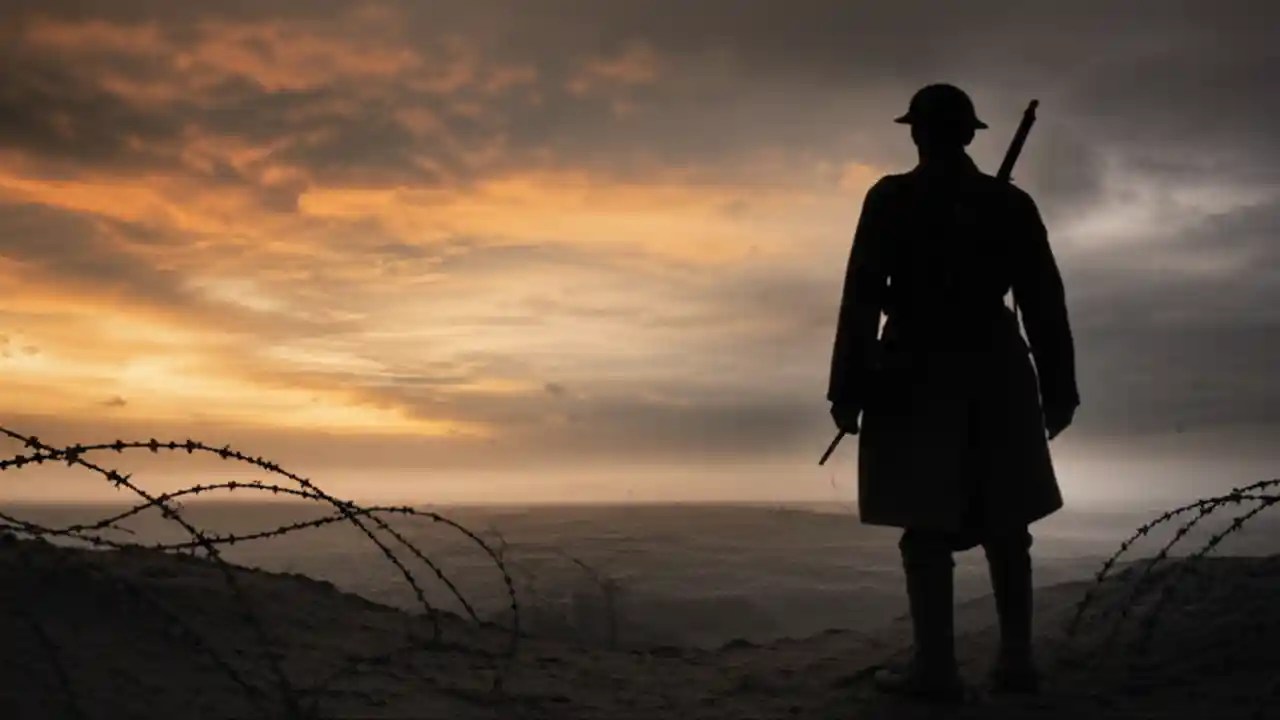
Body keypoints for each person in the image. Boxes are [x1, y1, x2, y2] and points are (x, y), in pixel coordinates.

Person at [827, 83, 1080, 703]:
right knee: (1006, 522)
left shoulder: (892, 199)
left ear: (917, 132)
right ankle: (1015, 665)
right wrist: (1059, 386)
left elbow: (861, 296)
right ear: (969, 135)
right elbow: (1043, 303)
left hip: (914, 367)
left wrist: (848, 386)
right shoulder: (1008, 205)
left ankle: (937, 672)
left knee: (926, 524)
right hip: (995, 363)